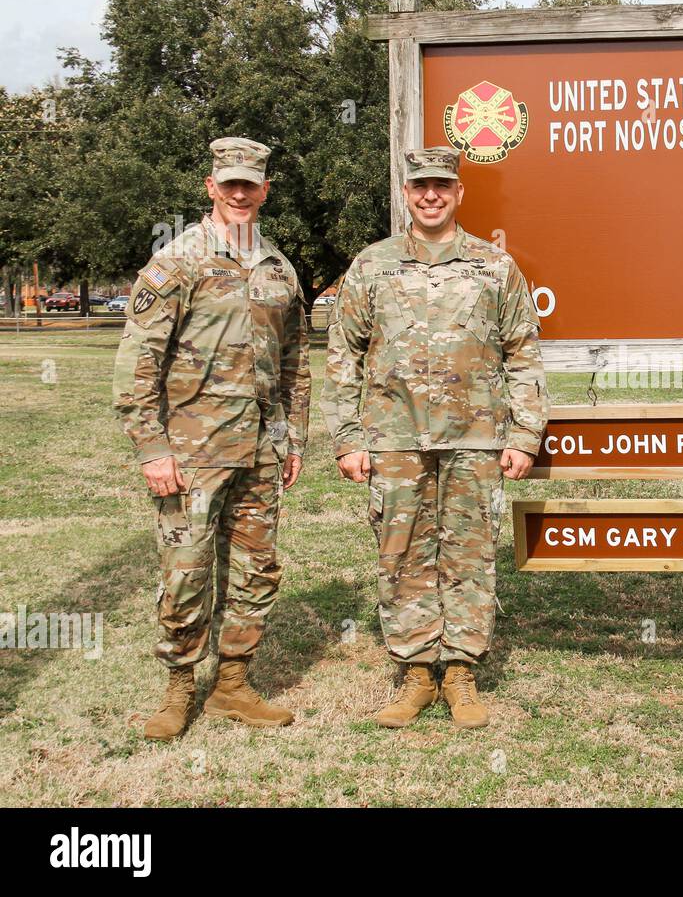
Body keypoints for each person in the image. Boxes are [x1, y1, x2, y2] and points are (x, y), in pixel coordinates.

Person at [322, 147, 549, 729]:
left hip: (475, 438)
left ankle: (461, 670)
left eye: (441, 186)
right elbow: (343, 354)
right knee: (401, 551)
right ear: (406, 192)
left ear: (458, 193)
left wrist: (524, 435)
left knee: (469, 552)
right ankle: (417, 669)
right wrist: (348, 437)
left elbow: (523, 354)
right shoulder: (372, 266)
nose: (431, 195)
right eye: (421, 185)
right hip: (392, 437)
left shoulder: (494, 267)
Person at [113, 137, 310, 740]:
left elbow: (294, 359)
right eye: (231, 184)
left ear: (265, 190)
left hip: (260, 449)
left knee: (255, 569)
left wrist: (291, 437)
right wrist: (152, 448)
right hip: (191, 455)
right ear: (212, 187)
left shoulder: (279, 268)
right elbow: (138, 360)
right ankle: (178, 688)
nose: (241, 193)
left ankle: (232, 685)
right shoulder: (179, 261)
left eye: (251, 183)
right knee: (186, 569)